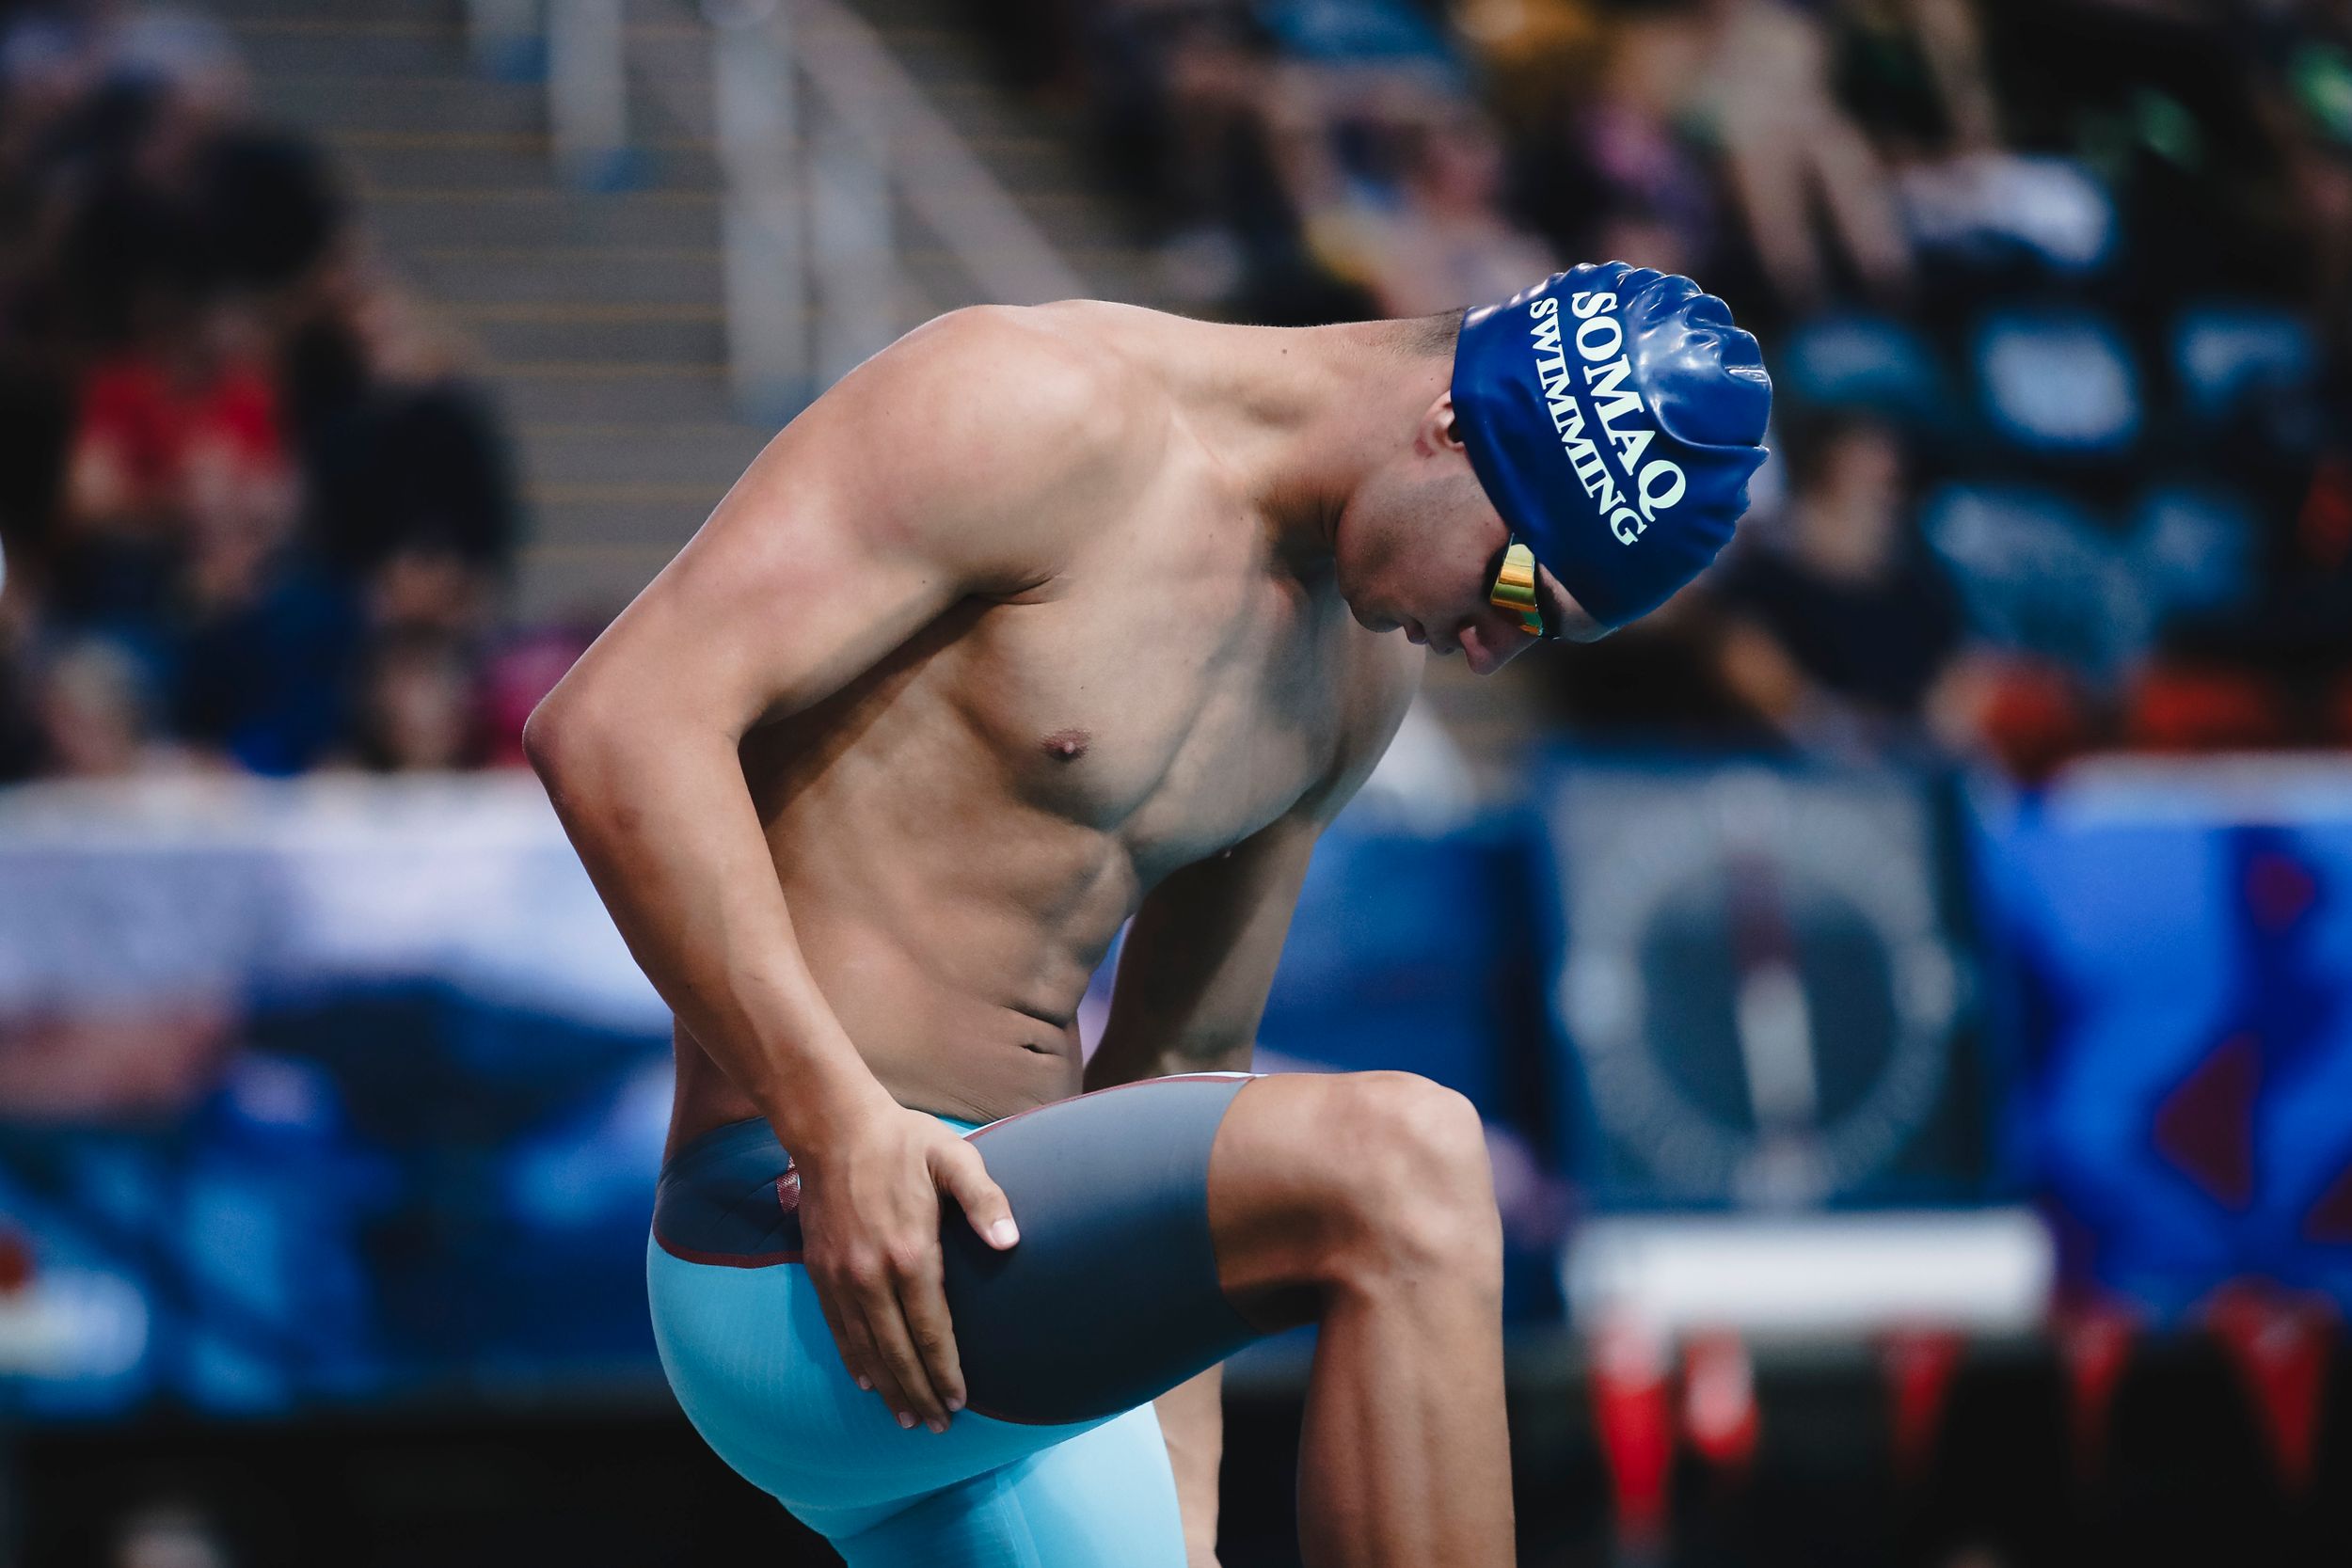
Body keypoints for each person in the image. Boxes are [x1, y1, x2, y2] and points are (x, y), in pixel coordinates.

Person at [523, 262, 1770, 1567]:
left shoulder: (1355, 676)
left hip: (1019, 1303)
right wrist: (837, 1127)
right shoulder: (1033, 409)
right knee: (1408, 1165)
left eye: (1545, 634)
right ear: (1452, 429)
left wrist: (1187, 1518)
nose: (1489, 647)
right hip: (796, 1234)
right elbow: (617, 723)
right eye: (1518, 591)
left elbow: (1183, 1070)